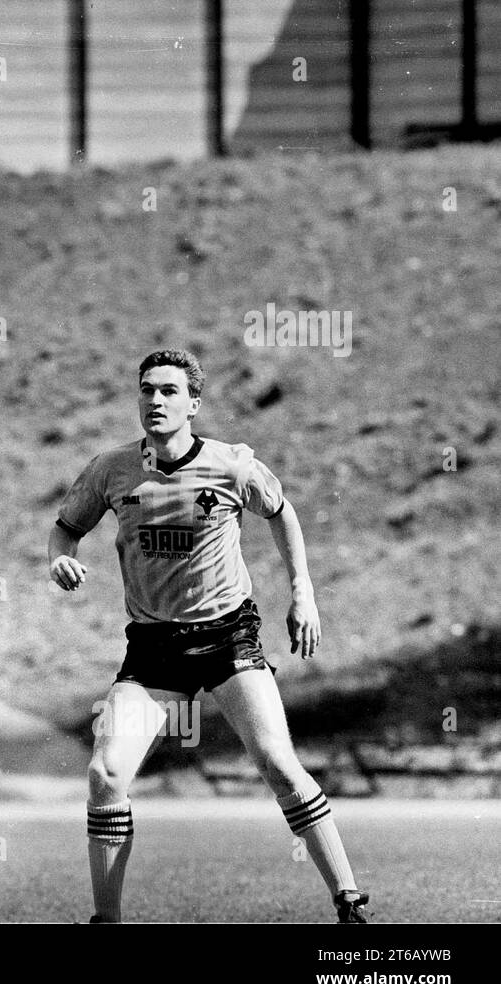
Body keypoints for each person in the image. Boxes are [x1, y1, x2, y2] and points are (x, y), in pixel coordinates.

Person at [49, 348, 369, 924]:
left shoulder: (233, 464)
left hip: (228, 639)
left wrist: (303, 592)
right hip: (153, 652)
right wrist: (60, 561)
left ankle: (348, 901)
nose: (155, 400)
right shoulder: (111, 470)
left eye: (169, 391)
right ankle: (107, 920)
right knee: (105, 774)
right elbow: (64, 531)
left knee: (276, 760)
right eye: (147, 390)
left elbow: (282, 512)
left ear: (193, 403)